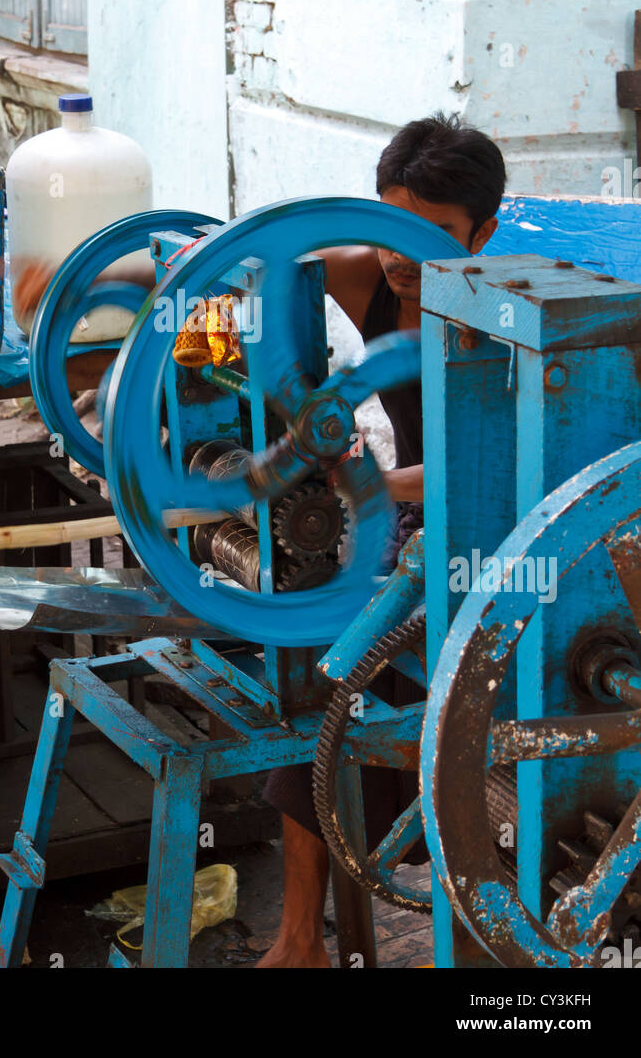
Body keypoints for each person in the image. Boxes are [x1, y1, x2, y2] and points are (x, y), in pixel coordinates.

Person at [256, 111, 505, 968]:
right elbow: (239, 256)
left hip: (502, 539)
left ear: (485, 234)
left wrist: (379, 485)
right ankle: (299, 944)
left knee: (445, 745)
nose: (403, 252)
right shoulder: (374, 274)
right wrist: (103, 273)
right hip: (413, 533)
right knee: (318, 710)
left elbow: (491, 463)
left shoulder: (504, 312)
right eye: (389, 223)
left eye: (431, 234)